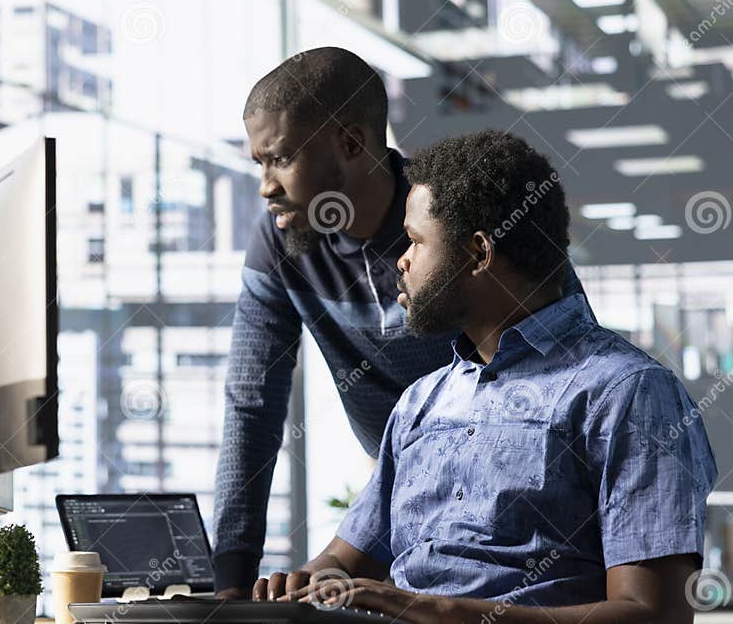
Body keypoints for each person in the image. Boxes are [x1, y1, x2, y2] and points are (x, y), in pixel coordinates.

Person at [252, 130, 717, 622]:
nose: (400, 261)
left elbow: (656, 614)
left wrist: (435, 610)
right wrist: (301, 585)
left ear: (478, 253)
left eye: (415, 241)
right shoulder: (421, 402)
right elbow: (343, 561)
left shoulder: (628, 394)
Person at [213, 47, 591, 598]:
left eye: (282, 158)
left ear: (351, 143)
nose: (266, 185)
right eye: (259, 163)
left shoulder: (456, 210)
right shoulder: (281, 240)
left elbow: (572, 359)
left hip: (510, 493)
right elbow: (252, 403)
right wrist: (231, 579)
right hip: (397, 492)